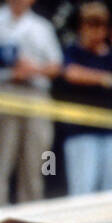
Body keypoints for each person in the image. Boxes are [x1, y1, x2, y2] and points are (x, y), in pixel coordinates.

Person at [56, 2, 112, 194]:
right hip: (82, 132)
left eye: (100, 26)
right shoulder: (73, 51)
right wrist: (106, 78)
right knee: (83, 191)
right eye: (91, 26)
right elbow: (71, 73)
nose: (96, 32)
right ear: (82, 27)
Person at [0, 0, 61, 203]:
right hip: (5, 94)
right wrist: (11, 73)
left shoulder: (42, 27)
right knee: (2, 159)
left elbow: (56, 67)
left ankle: (32, 218)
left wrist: (32, 70)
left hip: (36, 95)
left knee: (38, 159)